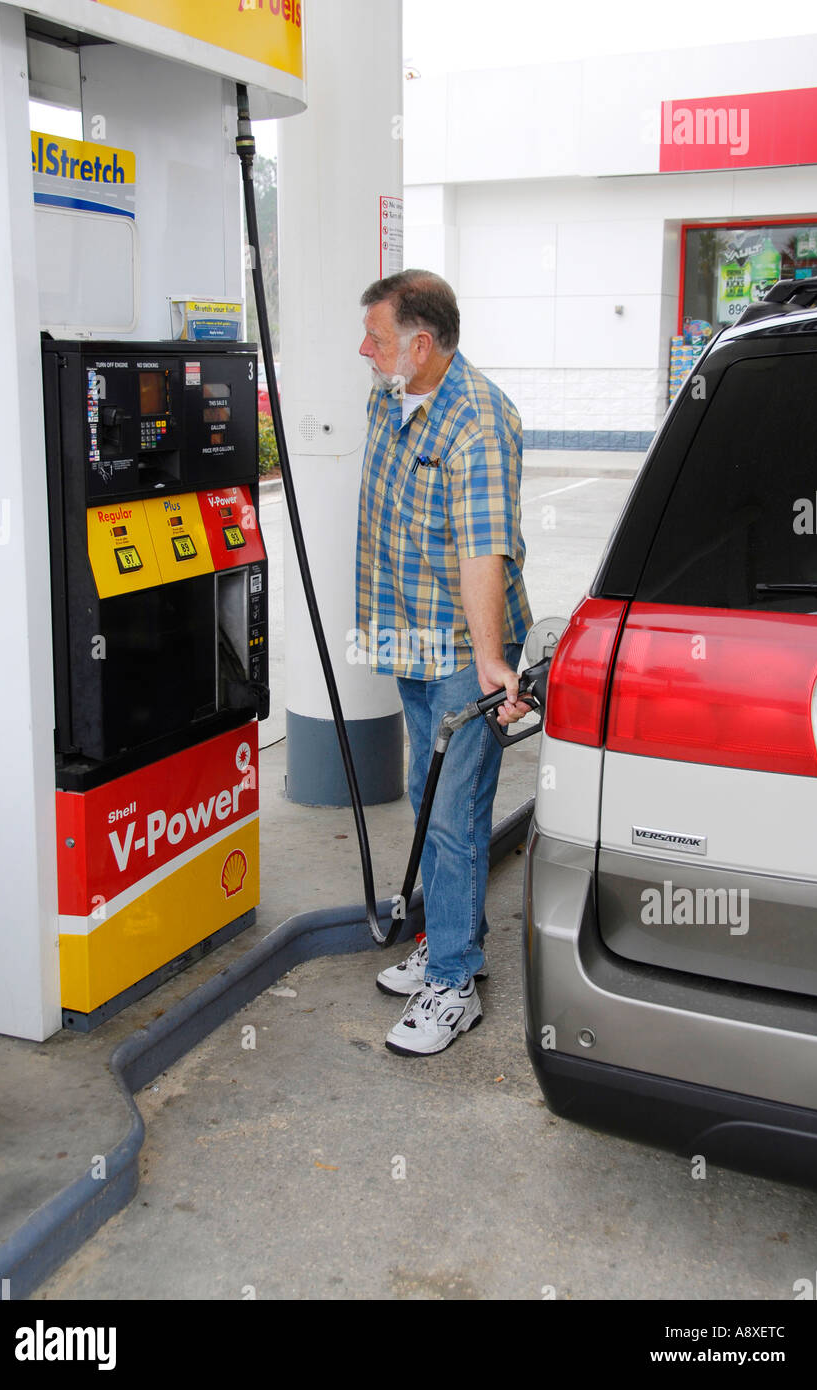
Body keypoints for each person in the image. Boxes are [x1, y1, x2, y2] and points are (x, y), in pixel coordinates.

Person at [355, 269, 533, 1056]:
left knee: (455, 816)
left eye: (379, 338)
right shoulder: (388, 396)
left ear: (421, 345)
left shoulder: (479, 424)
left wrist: (494, 662)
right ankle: (456, 938)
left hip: (466, 650)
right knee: (434, 804)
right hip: (408, 634)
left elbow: (483, 552)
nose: (366, 350)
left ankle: (454, 984)